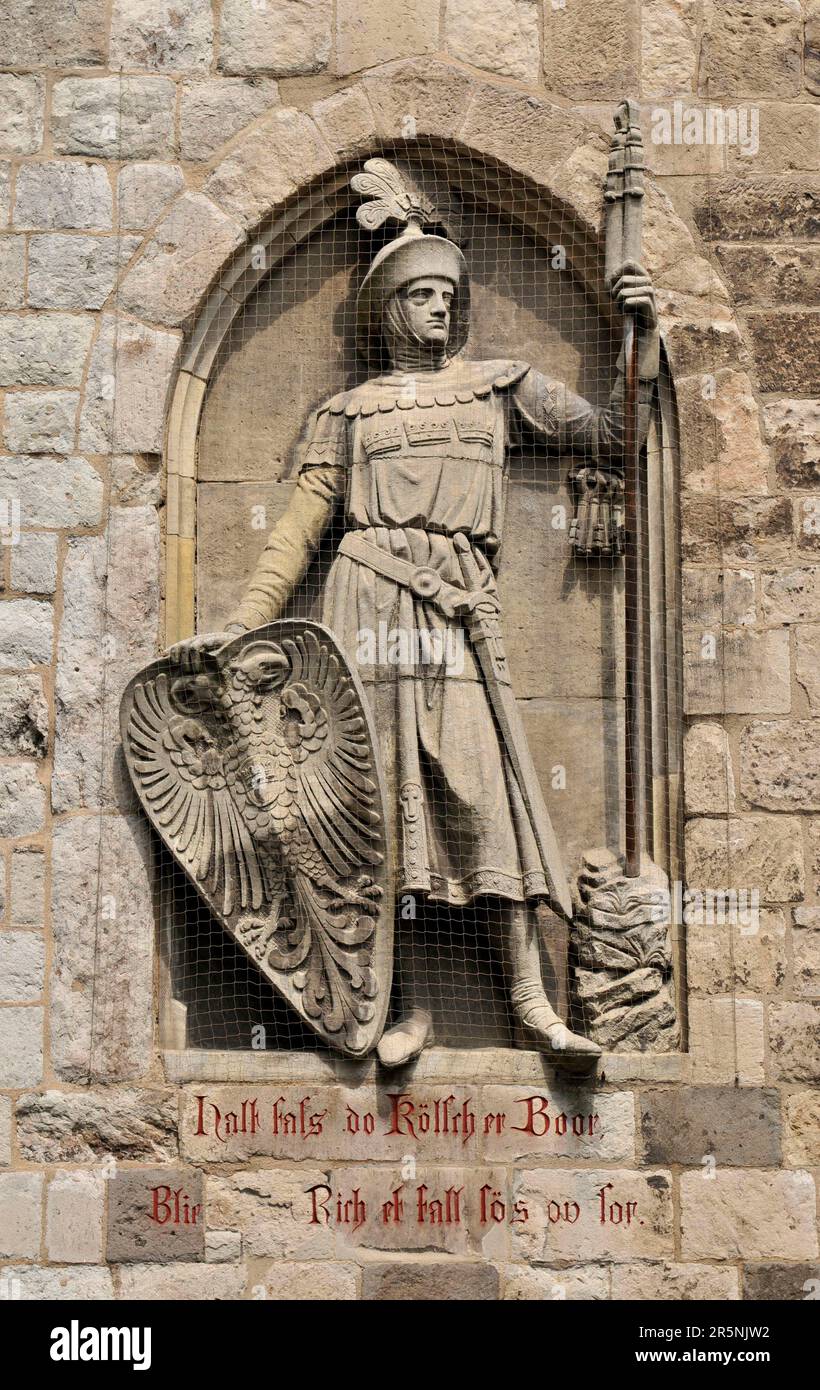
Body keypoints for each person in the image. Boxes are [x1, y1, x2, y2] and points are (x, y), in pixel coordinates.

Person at [173, 167, 659, 1067]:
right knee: (385, 816)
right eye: (421, 295)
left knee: (482, 798)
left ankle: (531, 1001)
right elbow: (297, 531)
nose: (439, 309)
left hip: (458, 615)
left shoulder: (499, 389)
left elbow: (614, 430)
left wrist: (639, 329)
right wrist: (245, 623)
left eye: (448, 294)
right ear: (391, 310)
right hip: (365, 610)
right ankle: (408, 1007)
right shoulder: (348, 415)